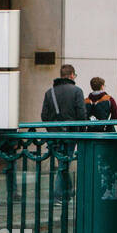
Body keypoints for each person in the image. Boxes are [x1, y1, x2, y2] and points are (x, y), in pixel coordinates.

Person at [41, 64, 87, 204]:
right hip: (70, 133)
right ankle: (58, 195)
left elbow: (44, 115)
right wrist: (81, 131)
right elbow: (82, 114)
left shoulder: (50, 92)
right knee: (63, 164)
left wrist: (53, 130)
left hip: (55, 134)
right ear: (72, 75)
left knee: (63, 162)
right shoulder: (77, 91)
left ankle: (69, 191)